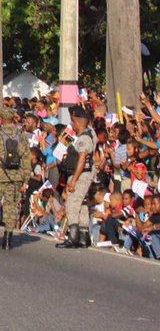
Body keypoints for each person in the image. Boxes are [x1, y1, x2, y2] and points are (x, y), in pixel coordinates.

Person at [0, 108, 31, 250]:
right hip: (15, 178)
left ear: (2, 119)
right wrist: (25, 179)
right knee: (11, 208)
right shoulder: (22, 136)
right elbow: (26, 159)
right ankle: (7, 240)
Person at [57, 105, 96, 248]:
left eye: (73, 121)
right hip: (80, 173)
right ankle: (83, 237)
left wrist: (73, 180)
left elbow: (82, 159)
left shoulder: (84, 137)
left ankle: (73, 237)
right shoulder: (83, 135)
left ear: (77, 121)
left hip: (80, 175)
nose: (71, 124)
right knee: (82, 204)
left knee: (72, 203)